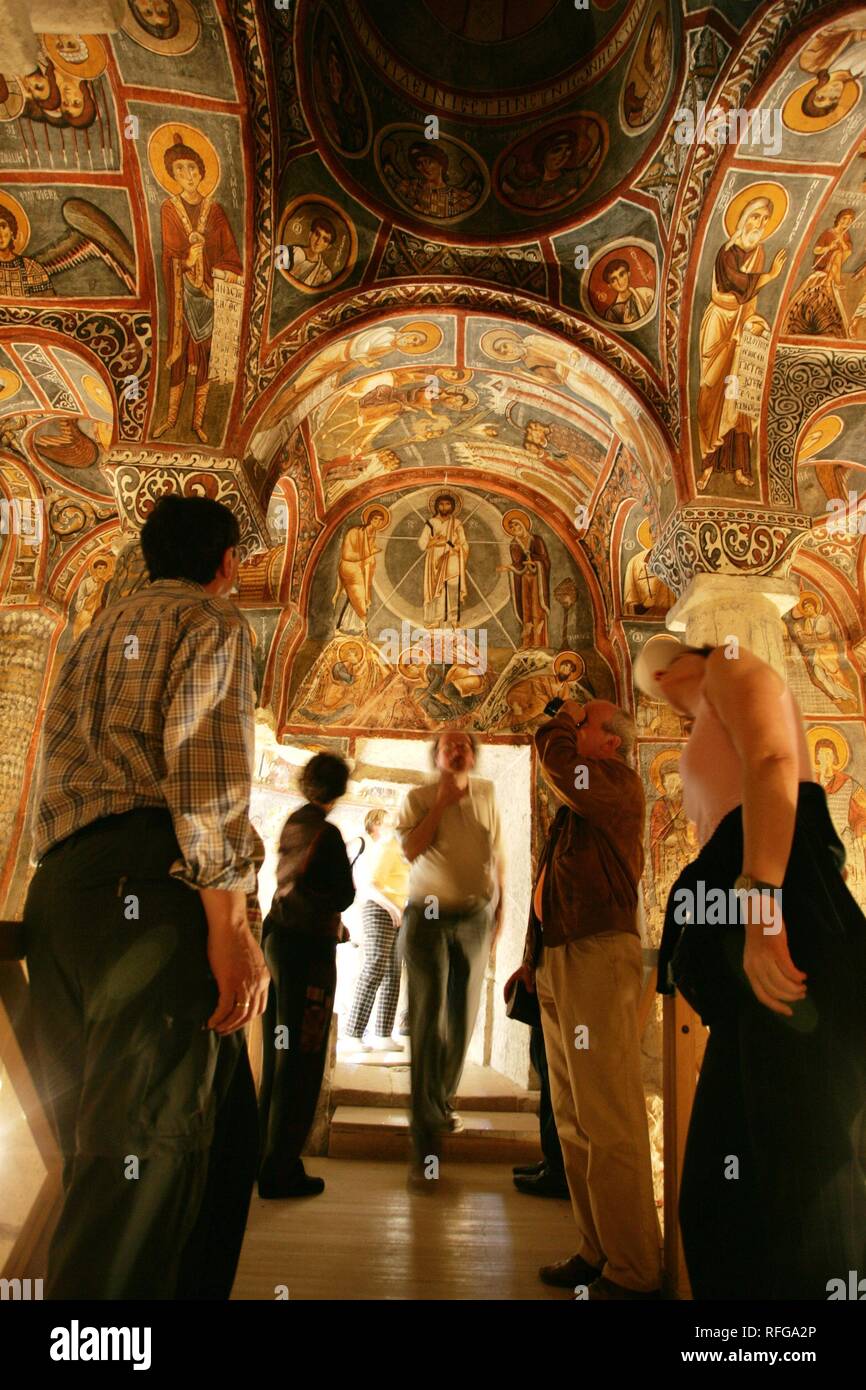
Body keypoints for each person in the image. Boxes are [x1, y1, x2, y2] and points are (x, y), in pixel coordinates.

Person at [24, 494, 269, 1299]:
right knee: (144, 1161)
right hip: (156, 894)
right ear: (228, 562)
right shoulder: (212, 622)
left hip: (63, 892)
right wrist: (230, 926)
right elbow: (205, 778)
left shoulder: (96, 634)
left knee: (183, 1144)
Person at [636, 637, 866, 1301]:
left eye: (659, 685)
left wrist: (763, 915)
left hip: (782, 922)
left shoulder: (729, 665)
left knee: (805, 1176)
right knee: (720, 1195)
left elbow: (772, 759)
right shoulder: (708, 705)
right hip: (746, 953)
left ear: (674, 661)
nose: (669, 705)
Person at [517, 699, 661, 1299]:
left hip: (598, 952)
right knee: (573, 1116)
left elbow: (558, 766)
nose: (574, 731)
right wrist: (532, 959)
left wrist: (556, 721)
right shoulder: (580, 809)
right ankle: (595, 1248)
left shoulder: (616, 785)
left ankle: (633, 1269)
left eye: (585, 725)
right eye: (576, 726)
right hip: (563, 955)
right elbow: (553, 877)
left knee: (609, 1115)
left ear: (611, 742)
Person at [395, 731, 504, 1185]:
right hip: (427, 918)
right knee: (428, 1020)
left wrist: (501, 910)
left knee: (462, 1019)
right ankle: (425, 1135)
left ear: (473, 756)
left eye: (465, 746)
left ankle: (440, 1104)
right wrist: (440, 803)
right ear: (437, 756)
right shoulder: (417, 796)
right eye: (448, 746)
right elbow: (409, 849)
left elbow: (496, 855)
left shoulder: (488, 793)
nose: (457, 751)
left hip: (475, 918)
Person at [258, 752, 355, 1199]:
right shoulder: (329, 833)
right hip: (309, 954)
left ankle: (262, 1156)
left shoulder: (294, 821)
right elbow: (343, 894)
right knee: (302, 1057)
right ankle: (282, 1170)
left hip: (277, 940)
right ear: (339, 790)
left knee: (279, 1055)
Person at [343, 809, 410, 1052]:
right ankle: (352, 1034)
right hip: (379, 909)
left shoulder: (404, 849)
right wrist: (393, 908)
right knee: (375, 965)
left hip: (397, 912)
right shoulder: (387, 844)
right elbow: (369, 885)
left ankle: (383, 1034)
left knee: (393, 972)